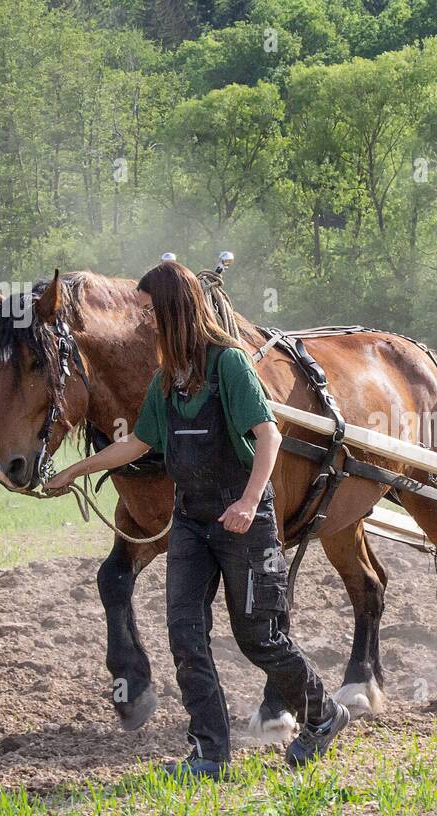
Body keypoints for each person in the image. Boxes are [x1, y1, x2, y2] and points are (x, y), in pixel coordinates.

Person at [44, 259, 348, 777]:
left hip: (242, 519)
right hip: (191, 520)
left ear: (174, 311)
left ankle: (324, 715)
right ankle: (210, 751)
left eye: (150, 314)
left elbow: (268, 436)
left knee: (260, 638)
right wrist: (77, 468)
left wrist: (250, 502)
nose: (146, 325)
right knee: (185, 637)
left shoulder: (228, 365)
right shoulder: (167, 380)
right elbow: (139, 443)